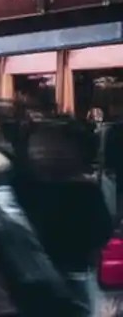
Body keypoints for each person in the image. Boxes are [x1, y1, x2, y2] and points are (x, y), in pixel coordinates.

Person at [14, 120, 112, 315]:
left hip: (34, 277)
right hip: (73, 274)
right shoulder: (86, 191)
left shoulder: (21, 187)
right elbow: (101, 235)